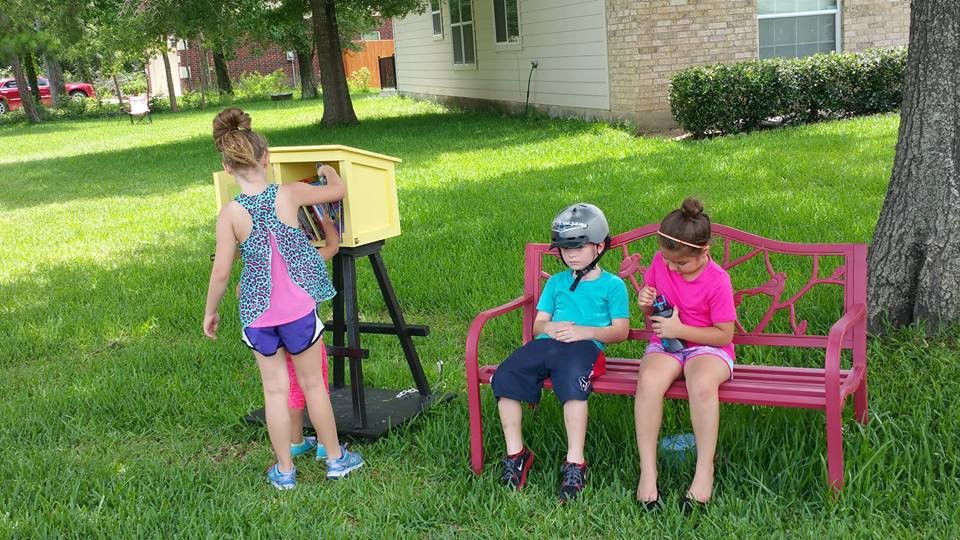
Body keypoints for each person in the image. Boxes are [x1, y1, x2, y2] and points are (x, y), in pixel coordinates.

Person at [203, 108, 362, 490]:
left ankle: (285, 471)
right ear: (267, 158)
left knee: (274, 391)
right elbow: (337, 191)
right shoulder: (289, 193)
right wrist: (327, 170)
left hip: (258, 315)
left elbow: (221, 272)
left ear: (227, 167)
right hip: (297, 311)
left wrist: (211, 311)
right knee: (313, 385)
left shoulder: (230, 214)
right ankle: (336, 459)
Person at [491, 203, 630, 502]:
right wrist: (550, 327)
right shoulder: (556, 282)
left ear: (600, 246)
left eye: (578, 247)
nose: (571, 255)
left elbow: (621, 331)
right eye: (565, 249)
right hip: (548, 344)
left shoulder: (613, 285)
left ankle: (575, 462)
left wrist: (585, 332)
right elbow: (538, 325)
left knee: (571, 382)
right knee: (506, 375)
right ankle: (516, 454)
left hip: (585, 349)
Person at [633, 197, 736, 511]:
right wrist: (645, 302)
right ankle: (648, 473)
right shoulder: (661, 262)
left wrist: (681, 329)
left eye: (681, 263)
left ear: (704, 251)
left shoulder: (718, 280)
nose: (671, 267)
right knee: (649, 381)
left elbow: (724, 335)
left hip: (708, 347)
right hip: (668, 341)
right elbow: (653, 311)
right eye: (667, 260)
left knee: (702, 383)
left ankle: (704, 472)